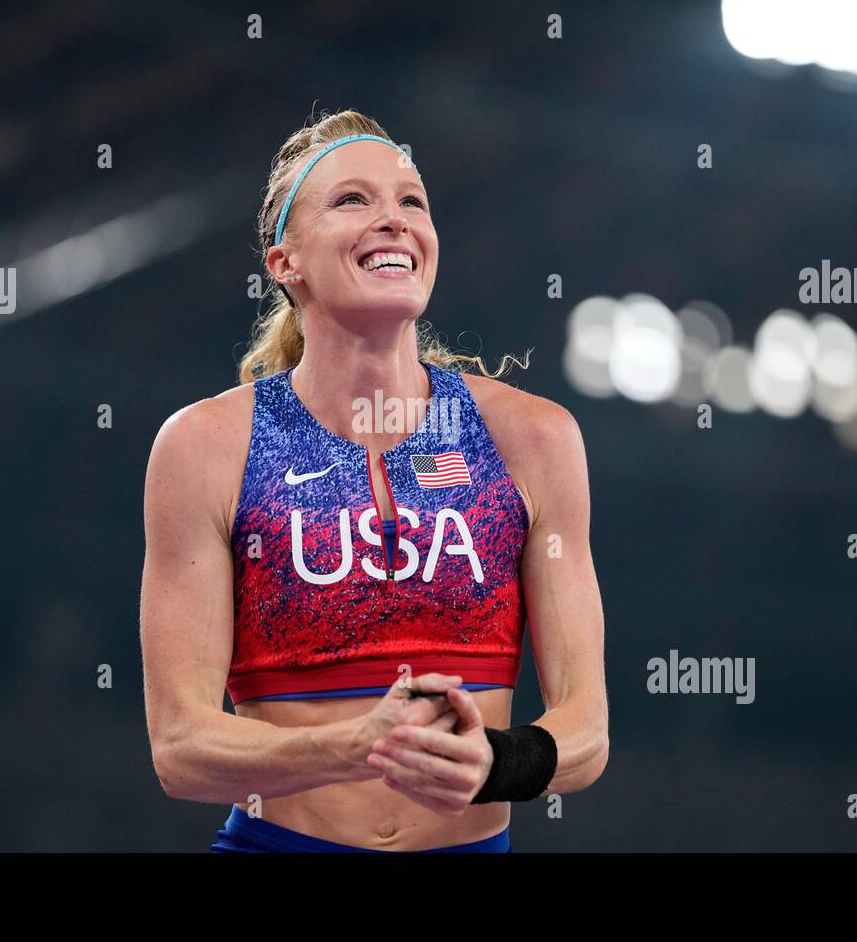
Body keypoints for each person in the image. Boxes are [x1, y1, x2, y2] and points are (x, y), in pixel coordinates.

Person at [139, 109, 608, 852]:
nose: (393, 220)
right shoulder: (205, 446)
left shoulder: (532, 438)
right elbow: (180, 749)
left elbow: (586, 728)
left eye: (411, 201)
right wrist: (353, 746)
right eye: (353, 200)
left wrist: (495, 762)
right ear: (284, 261)